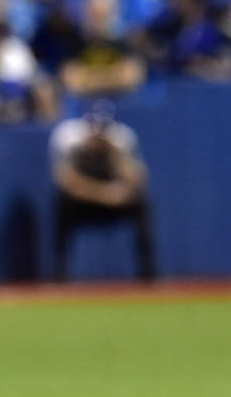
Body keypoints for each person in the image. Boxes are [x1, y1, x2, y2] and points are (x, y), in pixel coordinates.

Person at [50, 101, 154, 281]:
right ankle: (60, 275)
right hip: (83, 202)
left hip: (114, 201)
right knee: (62, 206)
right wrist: (104, 194)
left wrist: (115, 156)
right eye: (95, 127)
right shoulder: (69, 139)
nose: (98, 133)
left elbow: (138, 181)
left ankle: (148, 275)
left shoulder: (121, 140)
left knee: (142, 204)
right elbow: (66, 182)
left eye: (103, 128)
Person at [59, 0, 146, 97]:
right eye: (93, 14)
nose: (98, 20)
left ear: (114, 14)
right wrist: (115, 75)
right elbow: (70, 80)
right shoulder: (74, 42)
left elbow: (131, 77)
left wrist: (87, 77)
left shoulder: (125, 42)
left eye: (103, 14)